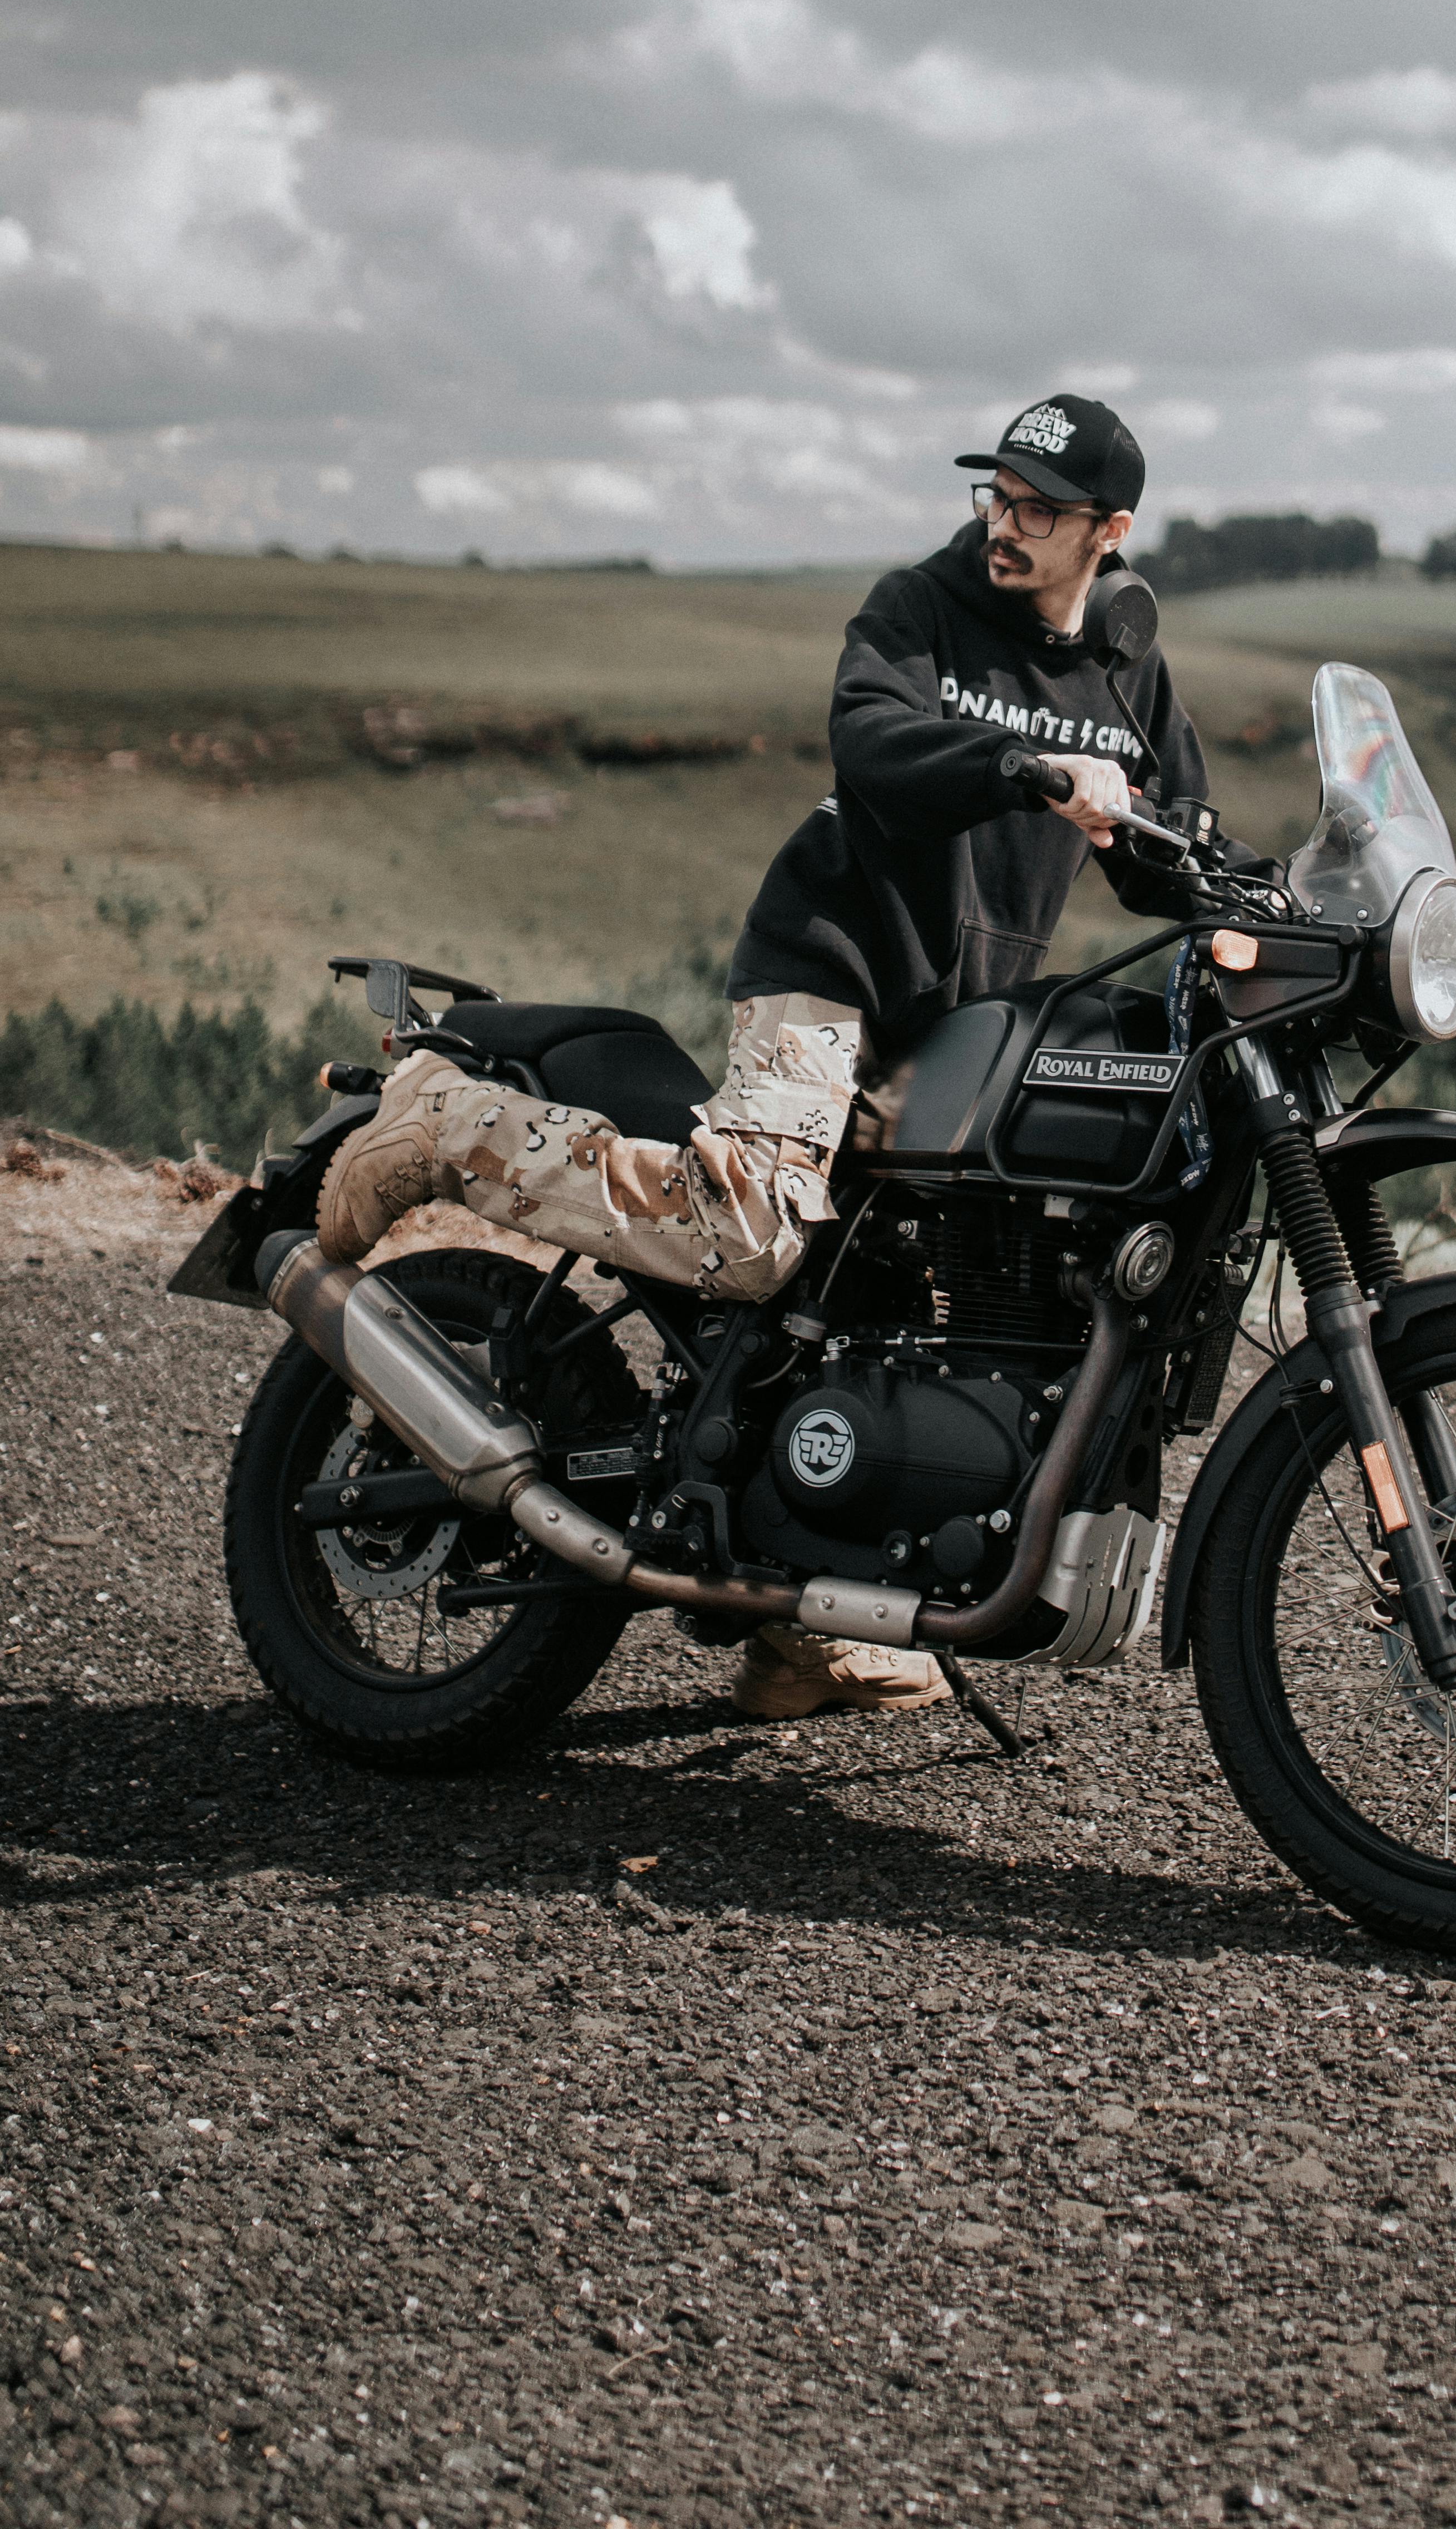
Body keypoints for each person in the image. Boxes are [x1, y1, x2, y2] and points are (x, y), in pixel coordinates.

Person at [308, 392, 1208, 1717]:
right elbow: (875, 744)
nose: (1003, 526)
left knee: (902, 1303)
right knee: (753, 1234)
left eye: (1036, 509)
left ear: (1108, 532)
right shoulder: (921, 605)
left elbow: (1171, 840)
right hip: (834, 968)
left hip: (969, 1016)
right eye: (994, 496)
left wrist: (1269, 893)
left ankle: (806, 1615)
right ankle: (452, 1127)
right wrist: (1021, 765)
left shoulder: (1127, 665)